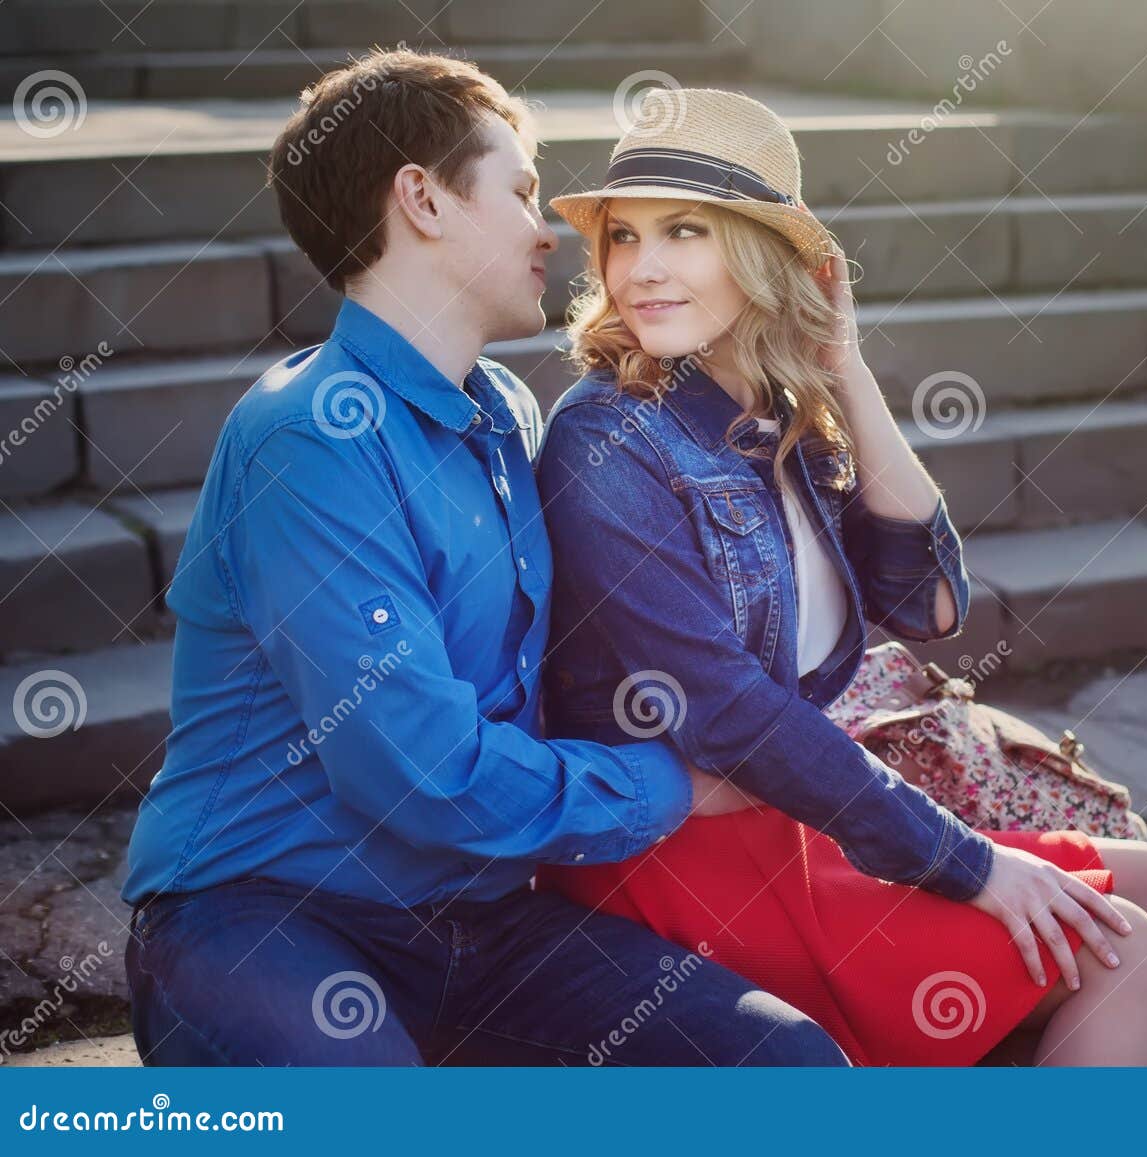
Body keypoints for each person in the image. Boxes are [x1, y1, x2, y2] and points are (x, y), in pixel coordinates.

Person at [117, 50, 849, 1067]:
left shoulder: (504, 412)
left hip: (482, 916)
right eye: (521, 190)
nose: (549, 229)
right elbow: (423, 771)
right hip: (265, 916)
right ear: (421, 198)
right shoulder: (311, 438)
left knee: (786, 1065)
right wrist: (672, 782)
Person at [534, 87, 1147, 1066]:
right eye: (625, 236)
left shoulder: (774, 418)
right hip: (672, 856)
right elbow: (723, 711)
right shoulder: (606, 438)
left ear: (766, 259)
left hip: (788, 816)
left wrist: (845, 370)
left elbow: (928, 604)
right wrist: (966, 862)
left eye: (683, 232)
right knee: (1119, 940)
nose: (641, 268)